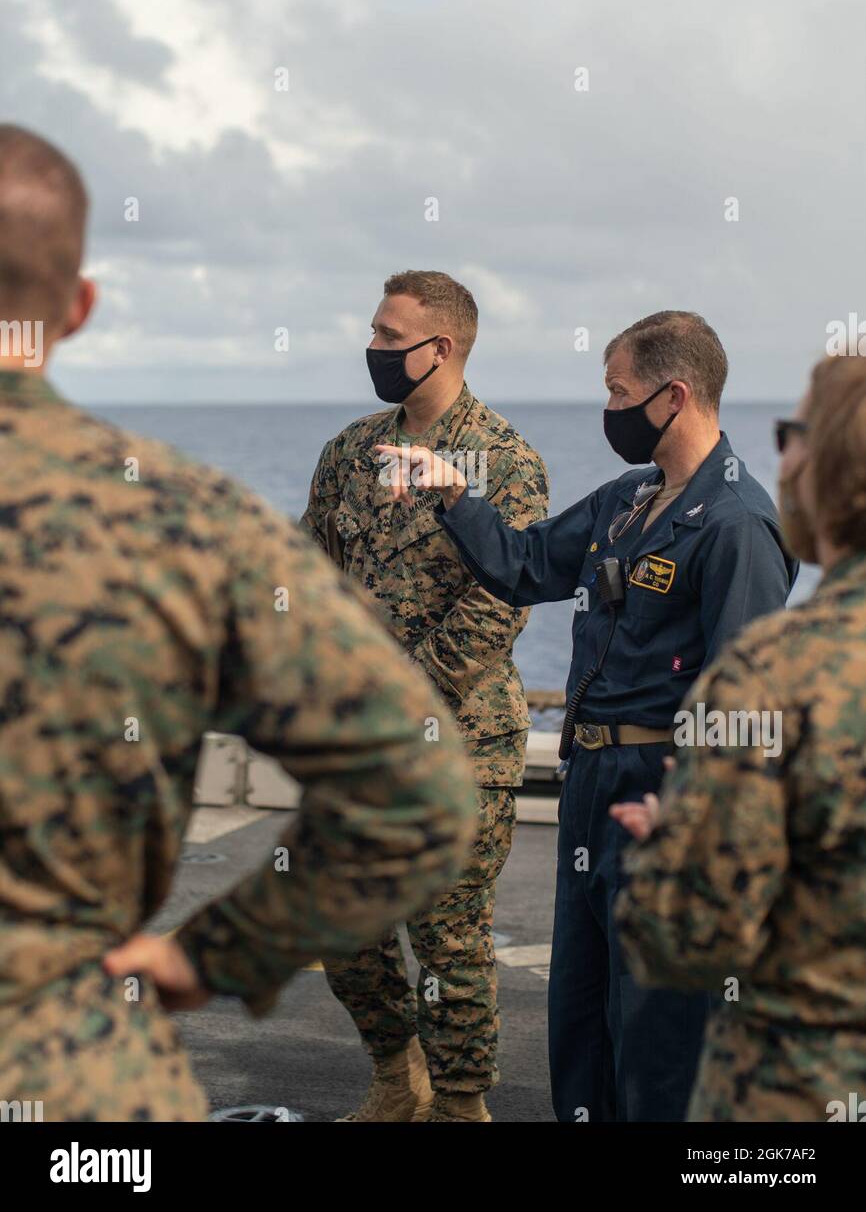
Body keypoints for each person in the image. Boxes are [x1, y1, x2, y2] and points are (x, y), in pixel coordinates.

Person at [0, 126, 476, 1122]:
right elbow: (415, 792)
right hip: (67, 1074)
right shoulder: (179, 517)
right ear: (79, 308)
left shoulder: (493, 456)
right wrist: (208, 957)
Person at [377, 310, 797, 1122]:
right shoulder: (629, 499)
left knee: (658, 1031)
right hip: (592, 779)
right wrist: (454, 492)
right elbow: (528, 563)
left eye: (618, 391)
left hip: (661, 792)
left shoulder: (739, 524)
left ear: (675, 396)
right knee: (581, 1014)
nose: (608, 409)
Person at [302, 269, 548, 1122]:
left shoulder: (505, 461)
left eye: (385, 336)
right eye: (371, 333)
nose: (370, 350)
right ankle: (392, 1075)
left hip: (461, 742)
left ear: (438, 348)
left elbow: (501, 602)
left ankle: (459, 1105)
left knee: (448, 939)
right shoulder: (349, 452)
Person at [613, 354, 866, 1121]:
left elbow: (686, 940)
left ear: (826, 469)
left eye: (792, 434)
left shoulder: (775, 674)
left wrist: (675, 842)